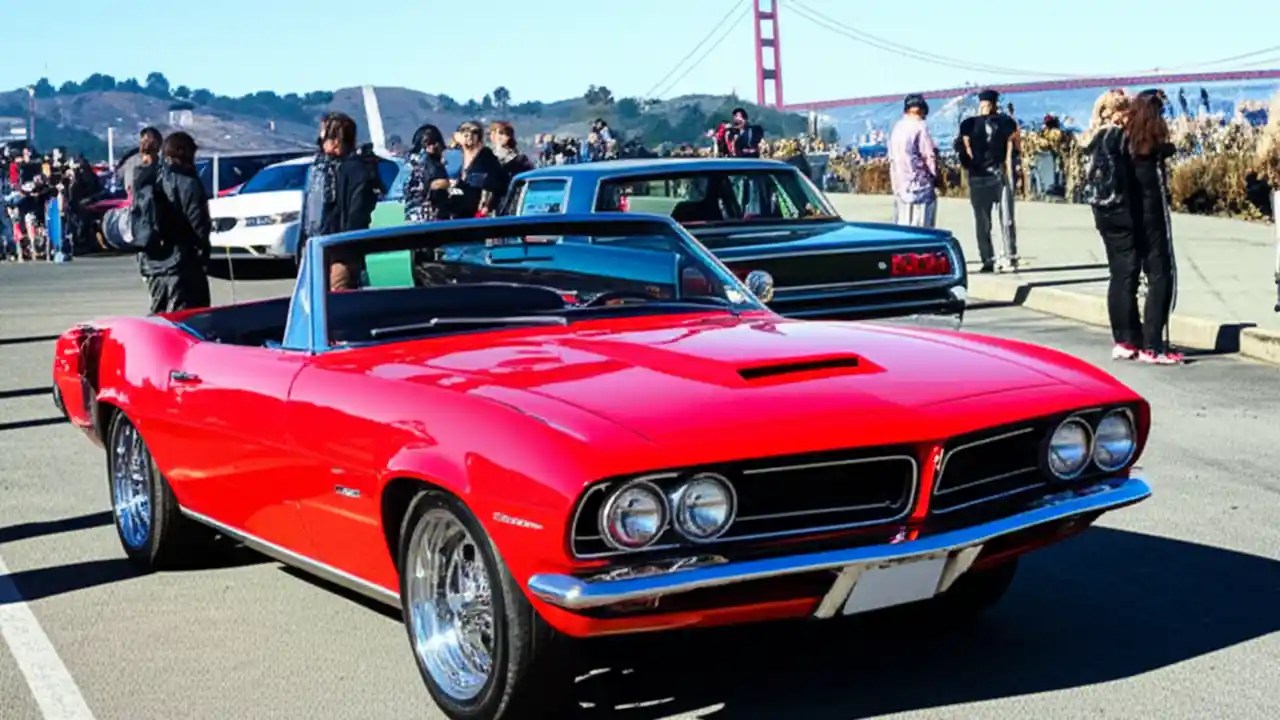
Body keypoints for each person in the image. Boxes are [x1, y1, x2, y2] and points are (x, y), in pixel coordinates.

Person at [1126, 91, 1182, 364]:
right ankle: (1153, 344)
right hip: (1152, 217)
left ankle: (1146, 340)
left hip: (1134, 218)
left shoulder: (1130, 144)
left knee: (1151, 275)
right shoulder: (1150, 150)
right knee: (1161, 276)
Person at [299, 112, 380, 290]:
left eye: (325, 136)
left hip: (341, 251)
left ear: (337, 140)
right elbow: (308, 212)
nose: (321, 141)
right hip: (316, 248)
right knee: (315, 296)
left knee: (338, 294)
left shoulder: (357, 170)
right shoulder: (320, 169)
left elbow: (358, 214)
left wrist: (346, 247)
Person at [138, 131, 211, 313]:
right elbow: (198, 225)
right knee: (188, 315)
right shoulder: (188, 182)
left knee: (160, 315)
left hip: (153, 263)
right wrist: (203, 254)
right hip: (181, 263)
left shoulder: (151, 177)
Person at [958, 89, 1020, 272]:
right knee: (992, 220)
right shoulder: (974, 124)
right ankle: (997, 258)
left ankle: (999, 257)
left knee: (995, 220)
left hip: (990, 175)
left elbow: (1013, 146)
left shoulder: (1001, 122)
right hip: (988, 175)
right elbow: (965, 146)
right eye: (984, 104)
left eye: (987, 104)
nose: (985, 107)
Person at [888, 93, 939, 227]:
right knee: (922, 227)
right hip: (920, 186)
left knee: (903, 225)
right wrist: (935, 177)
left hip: (900, 185)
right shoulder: (920, 127)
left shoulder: (897, 128)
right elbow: (929, 156)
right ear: (922, 110)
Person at [445, 120, 505, 219]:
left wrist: (486, 207)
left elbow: (494, 185)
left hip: (477, 215)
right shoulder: (452, 156)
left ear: (479, 136)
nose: (469, 134)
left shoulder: (487, 157)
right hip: (453, 213)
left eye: (474, 132)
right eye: (464, 131)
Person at [403, 124, 451, 223]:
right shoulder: (427, 161)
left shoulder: (410, 162)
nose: (434, 146)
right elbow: (435, 184)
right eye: (430, 143)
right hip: (429, 216)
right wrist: (450, 184)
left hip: (412, 215)